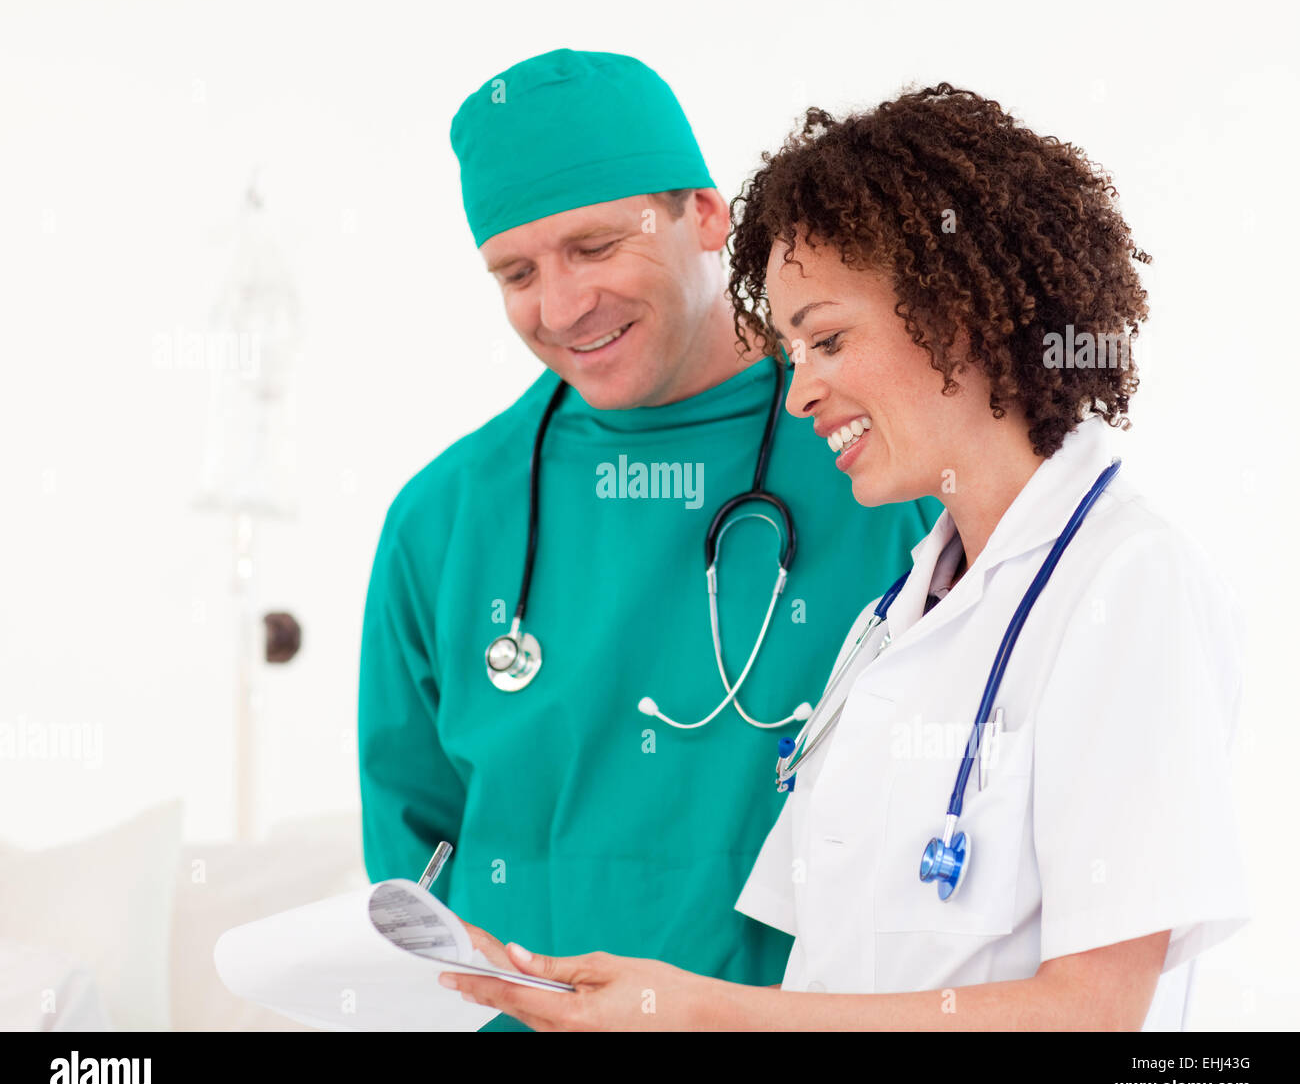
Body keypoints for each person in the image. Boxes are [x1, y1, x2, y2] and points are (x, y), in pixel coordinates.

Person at [438, 84, 1251, 1030]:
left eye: (825, 340)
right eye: (793, 346)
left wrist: (700, 1015)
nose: (797, 392)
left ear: (956, 315)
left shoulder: (1126, 582)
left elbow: (1092, 1015)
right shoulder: (900, 618)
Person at [357, 50, 941, 1030]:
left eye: (593, 247)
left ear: (705, 217)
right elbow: (412, 863)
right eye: (516, 271)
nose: (559, 305)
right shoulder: (444, 518)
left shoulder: (881, 465)